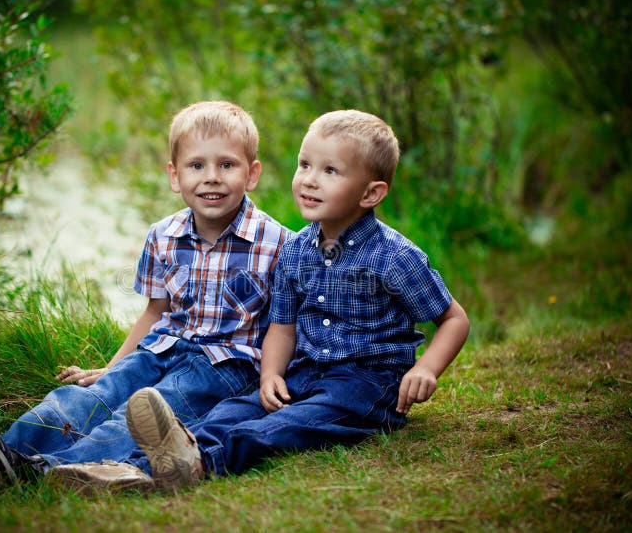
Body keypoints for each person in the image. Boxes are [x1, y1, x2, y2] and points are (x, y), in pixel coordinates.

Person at [0, 100, 291, 495]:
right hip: (160, 350)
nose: (211, 178)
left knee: (136, 415)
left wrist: (272, 376)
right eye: (197, 166)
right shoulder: (163, 234)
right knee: (86, 399)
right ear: (175, 176)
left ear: (252, 174)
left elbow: (286, 325)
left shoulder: (279, 243)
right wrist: (112, 368)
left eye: (226, 165)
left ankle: (43, 472)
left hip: (222, 369)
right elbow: (154, 313)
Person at [111, 109, 470, 489]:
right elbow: (282, 328)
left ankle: (199, 463)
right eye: (305, 165)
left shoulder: (393, 256)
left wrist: (425, 368)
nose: (310, 181)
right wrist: (270, 376)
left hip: (367, 383)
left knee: (282, 426)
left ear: (371, 193)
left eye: (330, 171)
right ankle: (130, 466)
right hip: (304, 372)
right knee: (236, 409)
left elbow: (453, 319)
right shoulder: (296, 250)